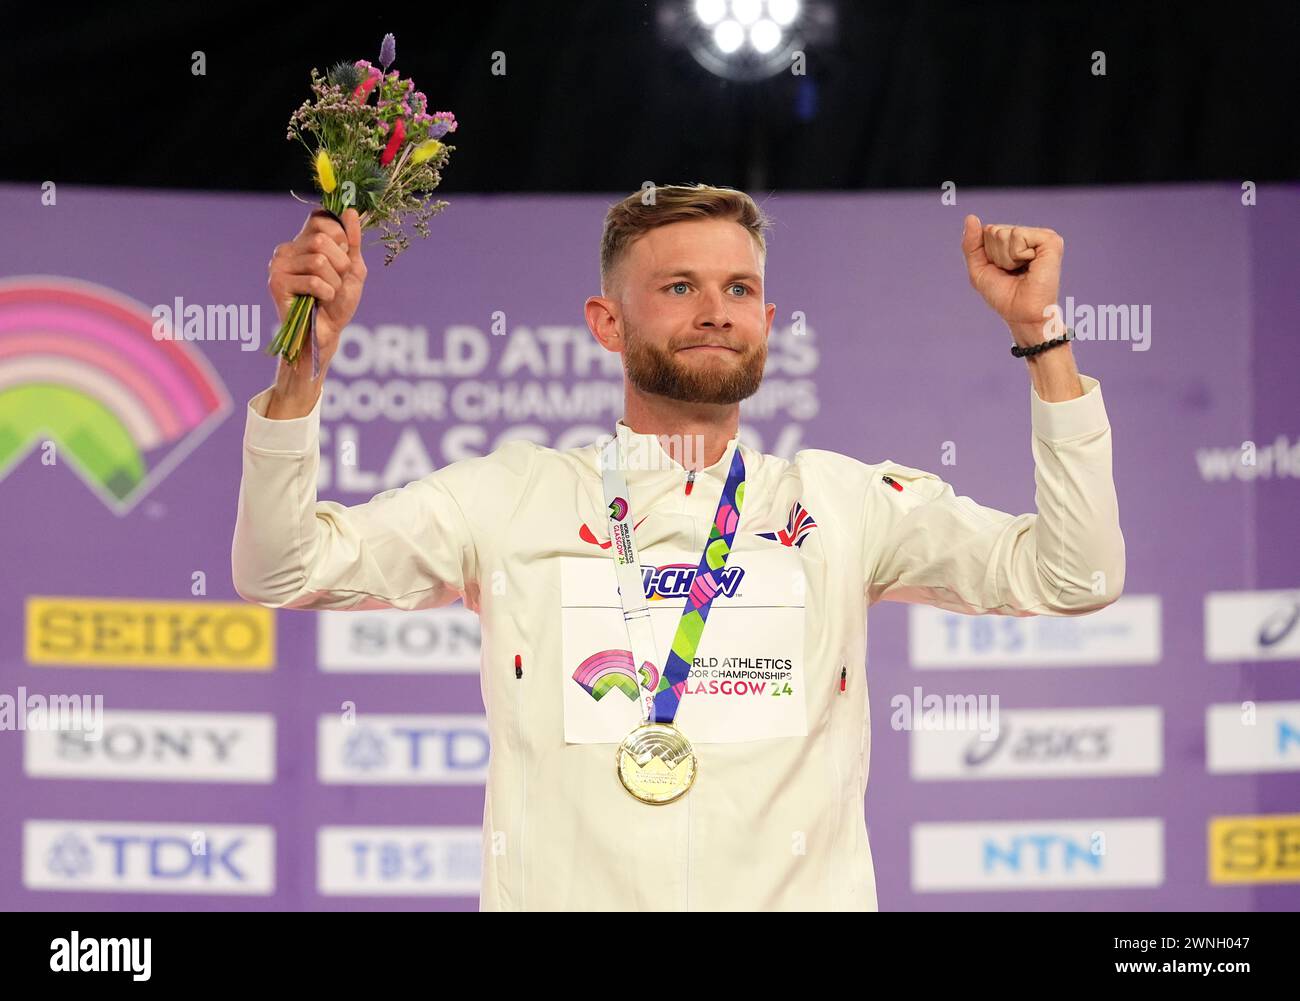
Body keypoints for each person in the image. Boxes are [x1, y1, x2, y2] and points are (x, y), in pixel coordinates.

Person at [232, 183, 1125, 910]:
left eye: (739, 289)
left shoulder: (846, 504)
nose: (715, 311)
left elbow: (1075, 574)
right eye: (678, 286)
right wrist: (305, 360)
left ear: (768, 319)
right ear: (607, 322)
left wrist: (1040, 338)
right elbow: (282, 565)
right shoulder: (510, 498)